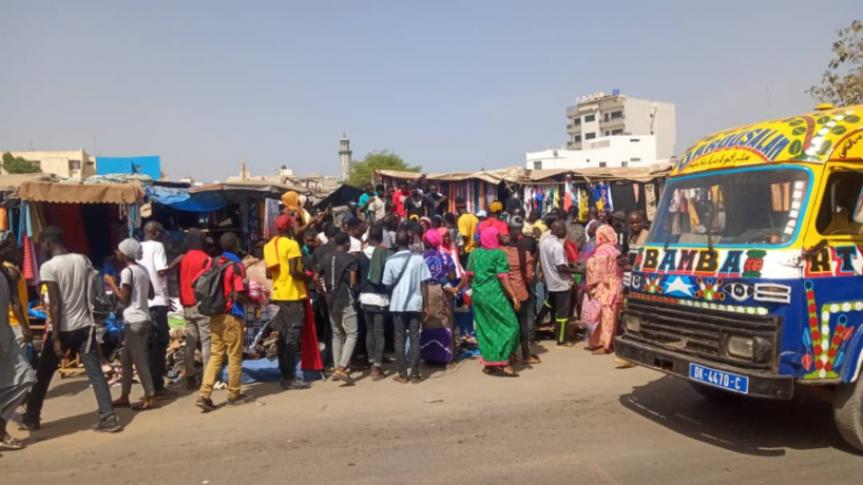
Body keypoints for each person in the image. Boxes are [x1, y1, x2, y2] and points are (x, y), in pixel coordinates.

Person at [22, 226, 122, 432]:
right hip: (86, 327)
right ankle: (108, 417)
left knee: (43, 375)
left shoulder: (49, 267)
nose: (42, 249)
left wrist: (56, 337)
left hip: (64, 328)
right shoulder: (82, 259)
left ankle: (32, 417)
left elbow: (56, 304)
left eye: (42, 244)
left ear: (49, 243)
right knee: (95, 373)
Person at [196, 233, 255, 412]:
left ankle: (204, 394)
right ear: (235, 245)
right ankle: (234, 394)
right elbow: (237, 293)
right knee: (234, 356)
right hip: (231, 315)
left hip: (215, 315)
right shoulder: (236, 266)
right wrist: (253, 301)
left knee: (216, 355)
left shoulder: (213, 262)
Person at [103, 239, 157, 411]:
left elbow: (124, 299)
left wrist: (111, 283)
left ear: (125, 254)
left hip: (134, 320)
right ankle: (125, 395)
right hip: (143, 317)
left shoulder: (127, 272)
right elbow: (151, 294)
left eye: (118, 251)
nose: (116, 254)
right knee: (126, 359)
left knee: (139, 360)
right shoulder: (143, 270)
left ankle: (150, 396)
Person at [459, 227, 520, 377]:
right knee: (511, 326)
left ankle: (490, 363)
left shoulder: (475, 253)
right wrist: (513, 296)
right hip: (494, 295)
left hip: (478, 296)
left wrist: (457, 288)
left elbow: (468, 276)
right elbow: (503, 277)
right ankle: (504, 362)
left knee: (485, 328)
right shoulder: (498, 253)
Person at [264, 215, 312, 391]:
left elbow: (269, 274)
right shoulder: (292, 245)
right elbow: (294, 271)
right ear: (289, 228)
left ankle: (284, 374)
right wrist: (308, 277)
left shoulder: (269, 246)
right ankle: (290, 377)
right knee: (292, 335)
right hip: (292, 294)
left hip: (277, 294)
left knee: (283, 336)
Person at [0, 232, 35, 449]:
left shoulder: (6, 273)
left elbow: (14, 301)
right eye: (9, 247)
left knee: (25, 377)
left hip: (6, 335)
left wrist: (24, 327)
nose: (14, 251)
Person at [383, 229, 431, 383]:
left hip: (398, 305)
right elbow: (424, 283)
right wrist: (426, 304)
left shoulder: (390, 261)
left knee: (399, 338)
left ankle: (402, 374)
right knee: (415, 337)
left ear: (396, 243)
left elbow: (387, 283)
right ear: (409, 242)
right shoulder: (418, 259)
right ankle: (415, 374)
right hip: (415, 303)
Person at [137, 221, 172, 398]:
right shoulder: (157, 246)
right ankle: (156, 385)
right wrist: (175, 264)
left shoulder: (137, 248)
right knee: (160, 343)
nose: (164, 236)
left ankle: (150, 385)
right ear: (155, 233)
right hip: (156, 301)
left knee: (148, 346)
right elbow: (161, 271)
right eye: (162, 233)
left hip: (143, 302)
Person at [320, 232, 359, 385]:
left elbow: (316, 276)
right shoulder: (350, 259)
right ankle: (342, 367)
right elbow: (353, 281)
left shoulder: (326, 257)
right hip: (344, 297)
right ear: (347, 244)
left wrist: (323, 291)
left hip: (330, 298)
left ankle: (337, 367)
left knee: (337, 333)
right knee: (352, 333)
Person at [502, 219, 540, 364]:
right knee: (522, 324)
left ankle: (510, 354)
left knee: (508, 324)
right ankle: (526, 355)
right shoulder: (524, 254)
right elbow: (530, 276)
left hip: (504, 293)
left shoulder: (500, 253)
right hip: (520, 293)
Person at [178, 228, 212, 389]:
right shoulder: (205, 258)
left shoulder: (184, 259)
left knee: (190, 342)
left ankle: (190, 376)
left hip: (186, 304)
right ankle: (207, 377)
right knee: (206, 341)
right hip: (201, 305)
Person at [357, 224, 391, 380]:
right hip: (381, 298)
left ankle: (372, 364)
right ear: (381, 238)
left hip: (365, 297)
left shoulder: (360, 256)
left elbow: (356, 277)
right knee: (379, 333)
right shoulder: (386, 254)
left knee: (369, 331)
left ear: (369, 238)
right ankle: (377, 366)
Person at [421, 228, 457, 363]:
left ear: (426, 241)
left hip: (424, 292)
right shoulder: (445, 256)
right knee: (445, 322)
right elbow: (453, 275)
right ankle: (446, 357)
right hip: (442, 292)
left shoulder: (421, 257)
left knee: (427, 322)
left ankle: (428, 356)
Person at [586, 225, 624, 355]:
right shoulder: (616, 250)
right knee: (612, 317)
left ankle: (603, 344)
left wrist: (590, 285)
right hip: (616, 285)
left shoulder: (602, 251)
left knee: (602, 316)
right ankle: (609, 342)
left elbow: (598, 273)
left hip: (605, 286)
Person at [539, 221, 576, 346]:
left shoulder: (544, 243)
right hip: (561, 283)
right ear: (558, 230)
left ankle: (536, 323)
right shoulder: (558, 246)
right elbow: (560, 267)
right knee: (562, 314)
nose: (566, 232)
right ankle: (561, 339)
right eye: (564, 230)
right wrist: (577, 270)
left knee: (549, 304)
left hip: (551, 281)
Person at [455, 197, 479, 265]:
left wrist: (461, 251)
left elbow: (464, 236)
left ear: (457, 208)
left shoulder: (462, 219)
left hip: (467, 251)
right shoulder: (474, 218)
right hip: (476, 250)